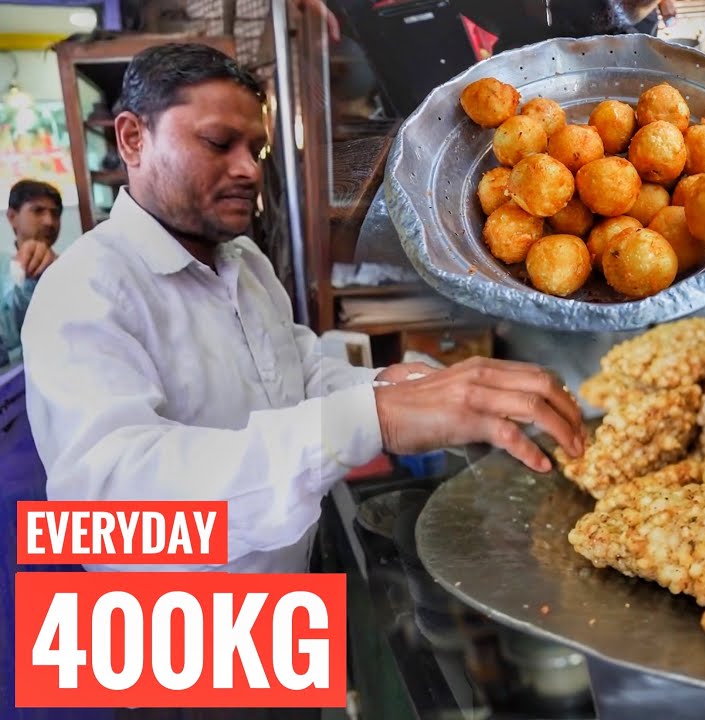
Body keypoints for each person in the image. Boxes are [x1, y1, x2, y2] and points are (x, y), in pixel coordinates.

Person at [20, 43, 586, 576]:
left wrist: (389, 385)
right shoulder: (83, 292)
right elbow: (114, 510)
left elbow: (294, 371)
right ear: (132, 138)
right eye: (219, 143)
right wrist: (373, 420)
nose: (248, 170)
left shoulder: (242, 261)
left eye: (255, 150)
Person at [2, 180, 61, 365]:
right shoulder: (4, 268)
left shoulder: (72, 265)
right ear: (12, 216)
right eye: (38, 211)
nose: (49, 221)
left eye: (55, 213)